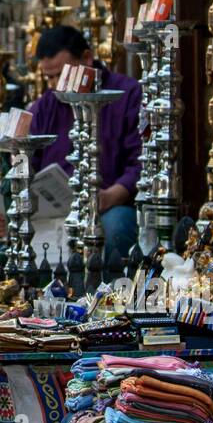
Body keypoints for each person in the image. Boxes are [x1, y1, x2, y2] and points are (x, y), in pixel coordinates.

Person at [30, 24, 142, 261]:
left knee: (115, 227)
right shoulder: (45, 106)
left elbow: (141, 163)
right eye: (48, 77)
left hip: (109, 208)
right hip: (53, 214)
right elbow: (28, 165)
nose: (54, 85)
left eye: (60, 75)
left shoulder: (127, 94)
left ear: (87, 59)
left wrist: (112, 195)